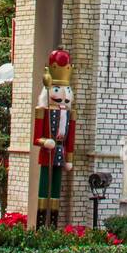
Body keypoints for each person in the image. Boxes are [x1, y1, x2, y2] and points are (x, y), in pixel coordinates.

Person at [33, 49, 76, 230]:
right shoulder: (43, 111)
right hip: (48, 152)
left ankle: (53, 225)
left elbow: (70, 139)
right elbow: (36, 137)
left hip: (60, 151)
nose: (62, 96)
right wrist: (44, 141)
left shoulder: (69, 114)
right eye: (57, 90)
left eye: (65, 90)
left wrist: (69, 159)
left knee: (56, 190)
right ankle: (41, 225)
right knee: (44, 188)